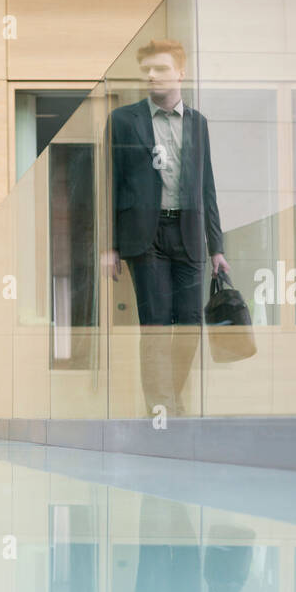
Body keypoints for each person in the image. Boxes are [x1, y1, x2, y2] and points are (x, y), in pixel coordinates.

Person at [103, 39, 228, 417]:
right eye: (146, 71)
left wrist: (216, 247)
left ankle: (171, 398)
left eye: (159, 68)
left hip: (188, 235)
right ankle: (162, 408)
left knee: (189, 325)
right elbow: (111, 182)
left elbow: (207, 187)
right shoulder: (124, 121)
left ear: (180, 73)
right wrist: (110, 244)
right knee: (155, 327)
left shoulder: (198, 123)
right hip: (146, 237)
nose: (151, 76)